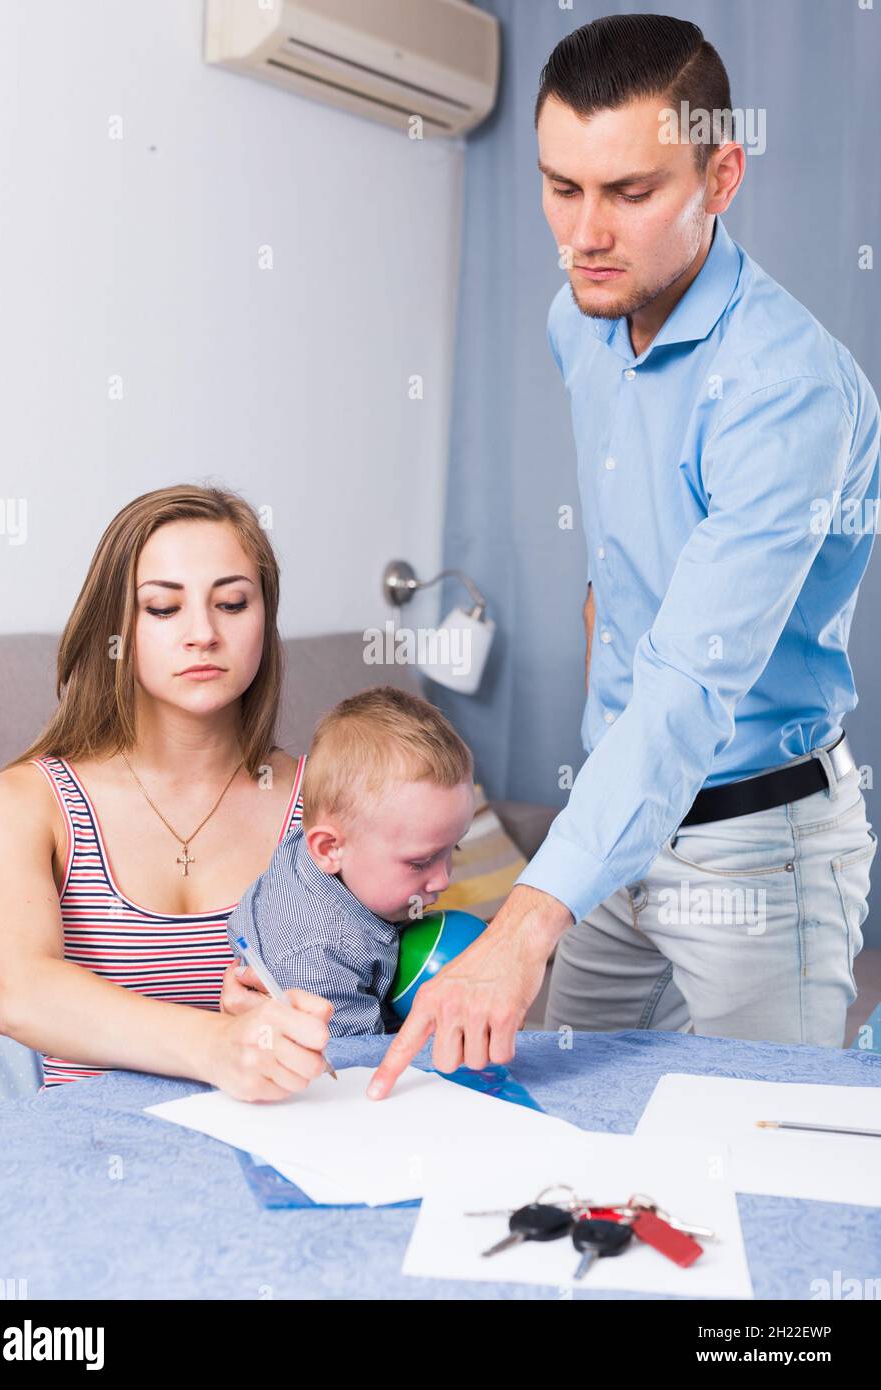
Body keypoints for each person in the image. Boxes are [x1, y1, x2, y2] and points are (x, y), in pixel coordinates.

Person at [368, 14, 880, 1100]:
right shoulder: (581, 317)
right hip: (615, 822)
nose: (585, 233)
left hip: (754, 840)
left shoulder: (784, 389)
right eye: (562, 187)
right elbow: (626, 547)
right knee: (561, 1119)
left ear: (721, 174)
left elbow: (692, 684)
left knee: (759, 1165)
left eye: (631, 192)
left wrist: (520, 924)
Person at [0, 484, 334, 1102]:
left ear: (265, 620)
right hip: (94, 1152)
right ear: (116, 627)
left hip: (284, 1133)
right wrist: (216, 1045)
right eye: (164, 608)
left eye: (233, 603)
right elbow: (22, 996)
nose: (203, 634)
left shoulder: (323, 797)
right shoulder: (20, 806)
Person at [226, 686, 475, 1035]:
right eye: (420, 862)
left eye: (454, 850)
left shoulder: (338, 849)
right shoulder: (319, 957)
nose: (444, 880)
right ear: (328, 850)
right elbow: (355, 1070)